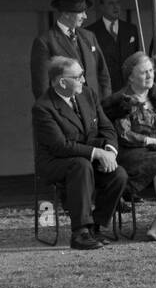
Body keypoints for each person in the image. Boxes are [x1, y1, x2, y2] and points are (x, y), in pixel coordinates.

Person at [31, 55, 128, 250]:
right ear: (61, 81)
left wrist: (109, 151)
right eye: (78, 76)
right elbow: (60, 146)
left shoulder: (88, 94)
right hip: (55, 162)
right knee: (81, 166)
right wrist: (97, 153)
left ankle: (95, 227)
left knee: (118, 174)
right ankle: (80, 232)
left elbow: (107, 128)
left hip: (85, 159)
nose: (83, 80)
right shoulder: (43, 108)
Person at [101, 53, 156, 241]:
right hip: (132, 154)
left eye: (151, 70)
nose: (150, 75)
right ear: (131, 77)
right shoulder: (121, 101)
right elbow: (125, 135)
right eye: (144, 72)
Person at [30, 0, 111, 101]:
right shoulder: (45, 42)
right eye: (80, 12)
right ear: (66, 13)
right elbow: (41, 87)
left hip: (95, 109)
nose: (85, 16)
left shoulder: (89, 36)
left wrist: (105, 103)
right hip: (67, 113)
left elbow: (103, 75)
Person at [86, 0, 142, 93]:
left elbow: (136, 57)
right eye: (111, 3)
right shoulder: (90, 32)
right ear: (101, 7)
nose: (116, 7)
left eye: (118, 2)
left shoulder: (131, 29)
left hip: (129, 88)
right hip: (105, 89)